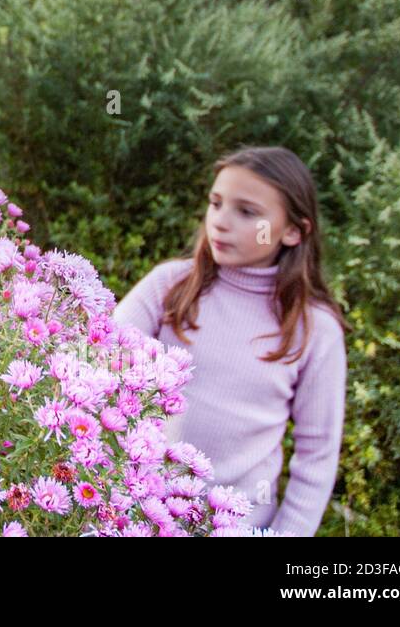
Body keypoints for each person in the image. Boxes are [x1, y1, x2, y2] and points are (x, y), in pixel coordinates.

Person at [113, 146, 349, 535]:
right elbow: (96, 353)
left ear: (294, 231)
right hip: (135, 515)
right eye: (216, 203)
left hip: (236, 527)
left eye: (247, 212)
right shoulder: (170, 285)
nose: (220, 222)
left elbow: (317, 457)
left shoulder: (315, 330)